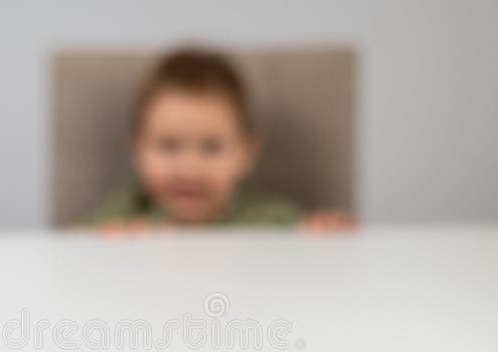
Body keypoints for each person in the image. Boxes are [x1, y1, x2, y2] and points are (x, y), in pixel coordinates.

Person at [92, 47, 355, 233]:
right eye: (169, 146)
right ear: (138, 150)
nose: (189, 169)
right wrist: (111, 242)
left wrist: (324, 230)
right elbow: (71, 250)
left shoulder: (268, 219)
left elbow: (309, 245)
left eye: (211, 148)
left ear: (247, 154)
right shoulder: (126, 211)